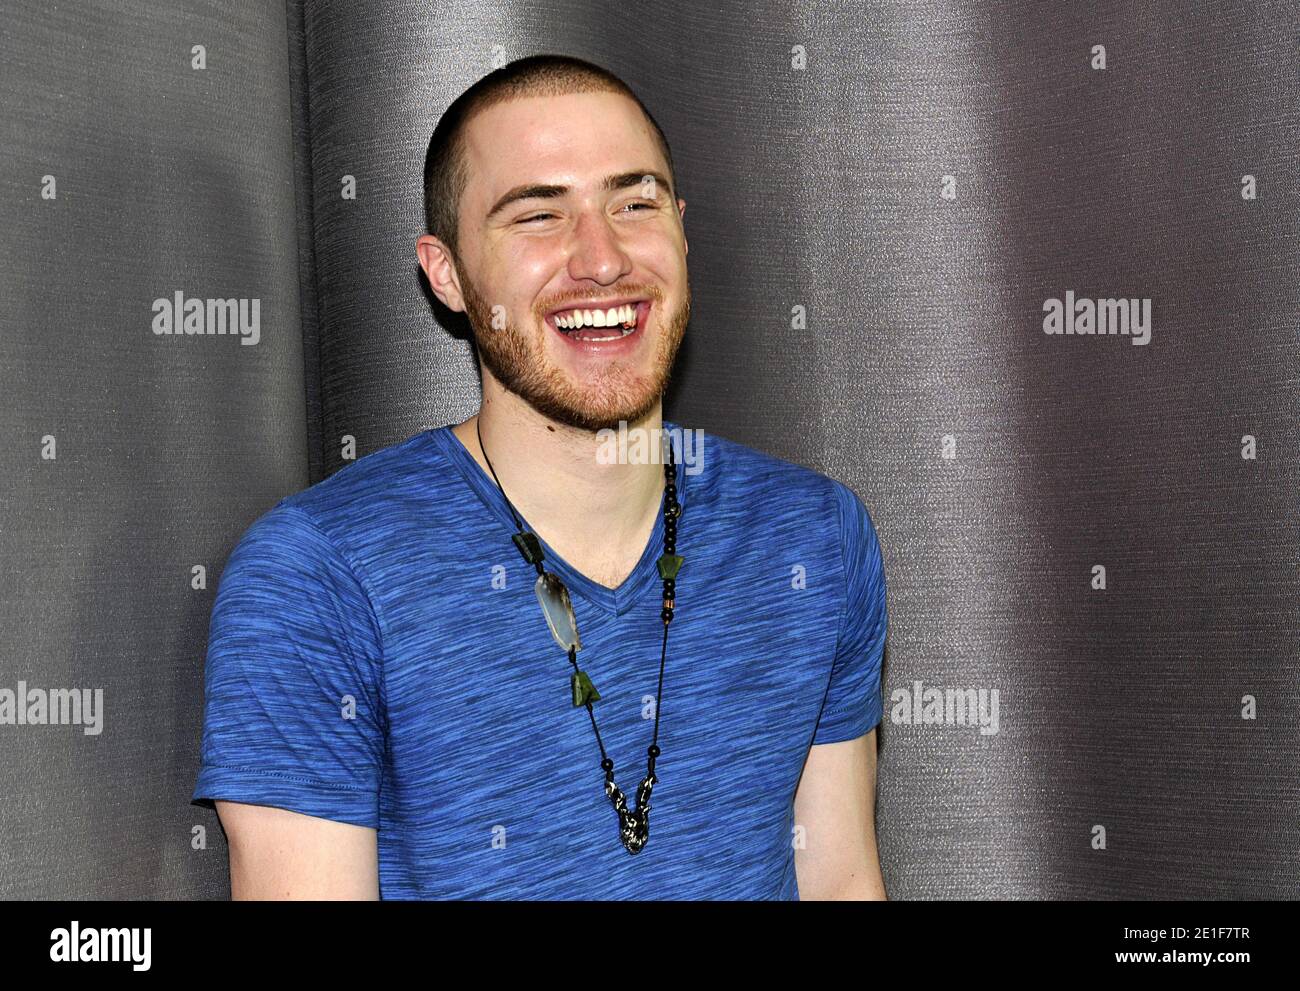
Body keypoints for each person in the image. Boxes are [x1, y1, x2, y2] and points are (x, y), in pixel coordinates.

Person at [191, 53, 888, 900]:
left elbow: (841, 878)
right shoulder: (315, 574)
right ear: (446, 274)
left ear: (681, 231)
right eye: (537, 216)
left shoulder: (815, 536)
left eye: (635, 202)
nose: (601, 259)